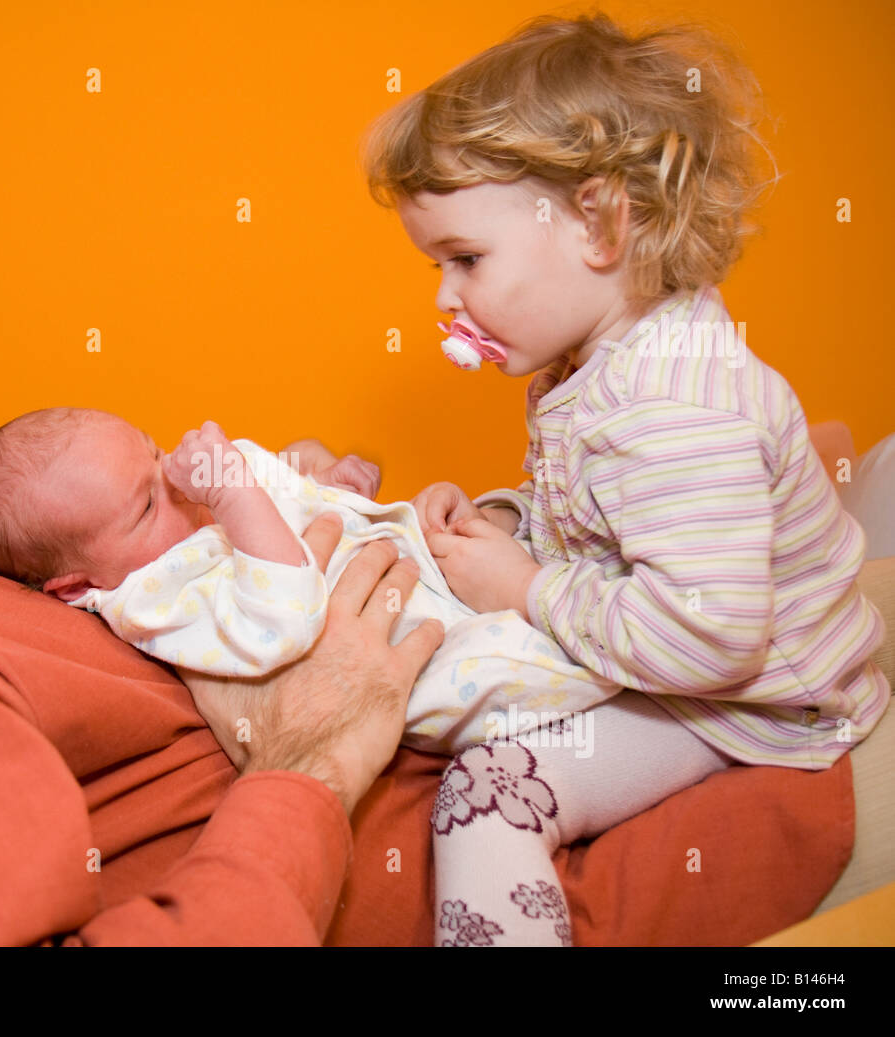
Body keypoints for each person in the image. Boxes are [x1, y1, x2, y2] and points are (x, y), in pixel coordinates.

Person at [0, 46, 854, 947]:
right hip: (674, 802)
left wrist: (284, 503)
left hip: (624, 702)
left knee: (845, 518)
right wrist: (310, 766)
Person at [361, 12, 890, 944]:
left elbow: (711, 640)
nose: (443, 297)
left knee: (486, 789)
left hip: (749, 702)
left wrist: (525, 590)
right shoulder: (597, 365)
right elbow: (601, 518)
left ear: (601, 223)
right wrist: (505, 523)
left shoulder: (671, 407)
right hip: (689, 654)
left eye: (465, 259)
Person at [0, 408, 619, 750]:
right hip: (432, 660)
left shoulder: (179, 525)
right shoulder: (150, 600)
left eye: (155, 452)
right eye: (148, 502)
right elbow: (286, 615)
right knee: (557, 663)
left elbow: (281, 496)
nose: (177, 484)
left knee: (535, 535)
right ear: (76, 587)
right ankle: (646, 672)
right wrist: (236, 491)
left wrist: (321, 479)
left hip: (423, 569)